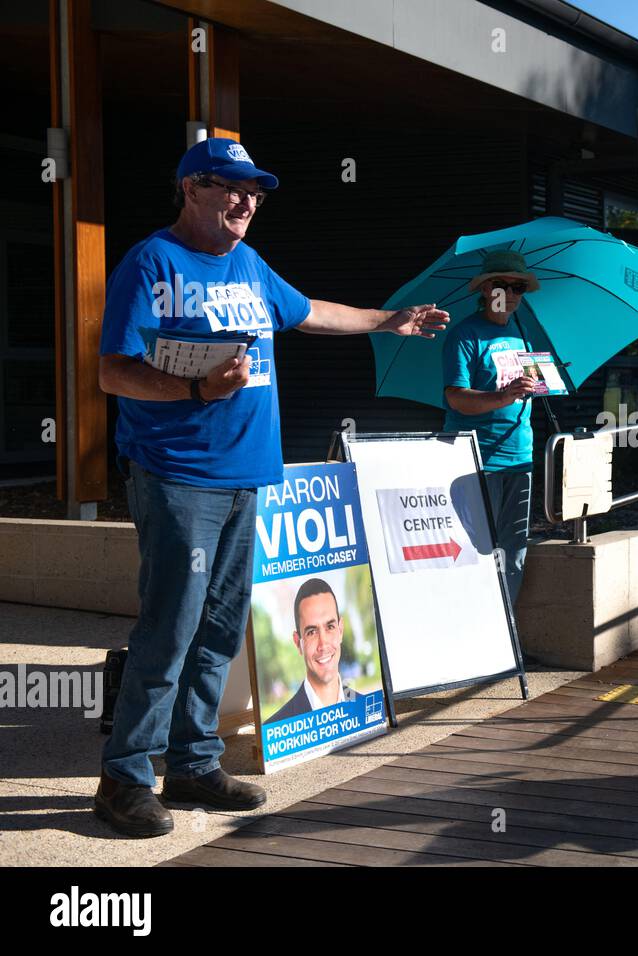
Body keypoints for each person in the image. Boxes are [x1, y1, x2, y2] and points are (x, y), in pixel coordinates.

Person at [95, 137, 447, 838]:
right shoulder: (150, 263)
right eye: (230, 187)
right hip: (177, 478)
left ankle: (194, 762)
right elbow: (112, 371)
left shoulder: (251, 265)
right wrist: (194, 386)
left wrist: (387, 319)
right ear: (190, 188)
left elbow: (308, 310)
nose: (246, 201)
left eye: (255, 190)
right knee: (170, 628)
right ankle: (124, 777)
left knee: (221, 631)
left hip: (248, 475)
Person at [442, 250, 541, 607]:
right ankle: (475, 639)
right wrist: (503, 397)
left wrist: (546, 383)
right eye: (502, 285)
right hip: (476, 461)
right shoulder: (464, 335)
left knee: (513, 555)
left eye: (519, 287)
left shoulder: (522, 332)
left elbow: (526, 390)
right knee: (475, 553)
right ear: (485, 289)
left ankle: (507, 642)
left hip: (520, 456)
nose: (511, 293)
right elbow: (456, 398)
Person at [268, 579, 359, 724]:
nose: (323, 645)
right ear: (298, 643)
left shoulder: (364, 708)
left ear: (340, 631)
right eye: (311, 632)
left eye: (330, 627)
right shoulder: (278, 727)